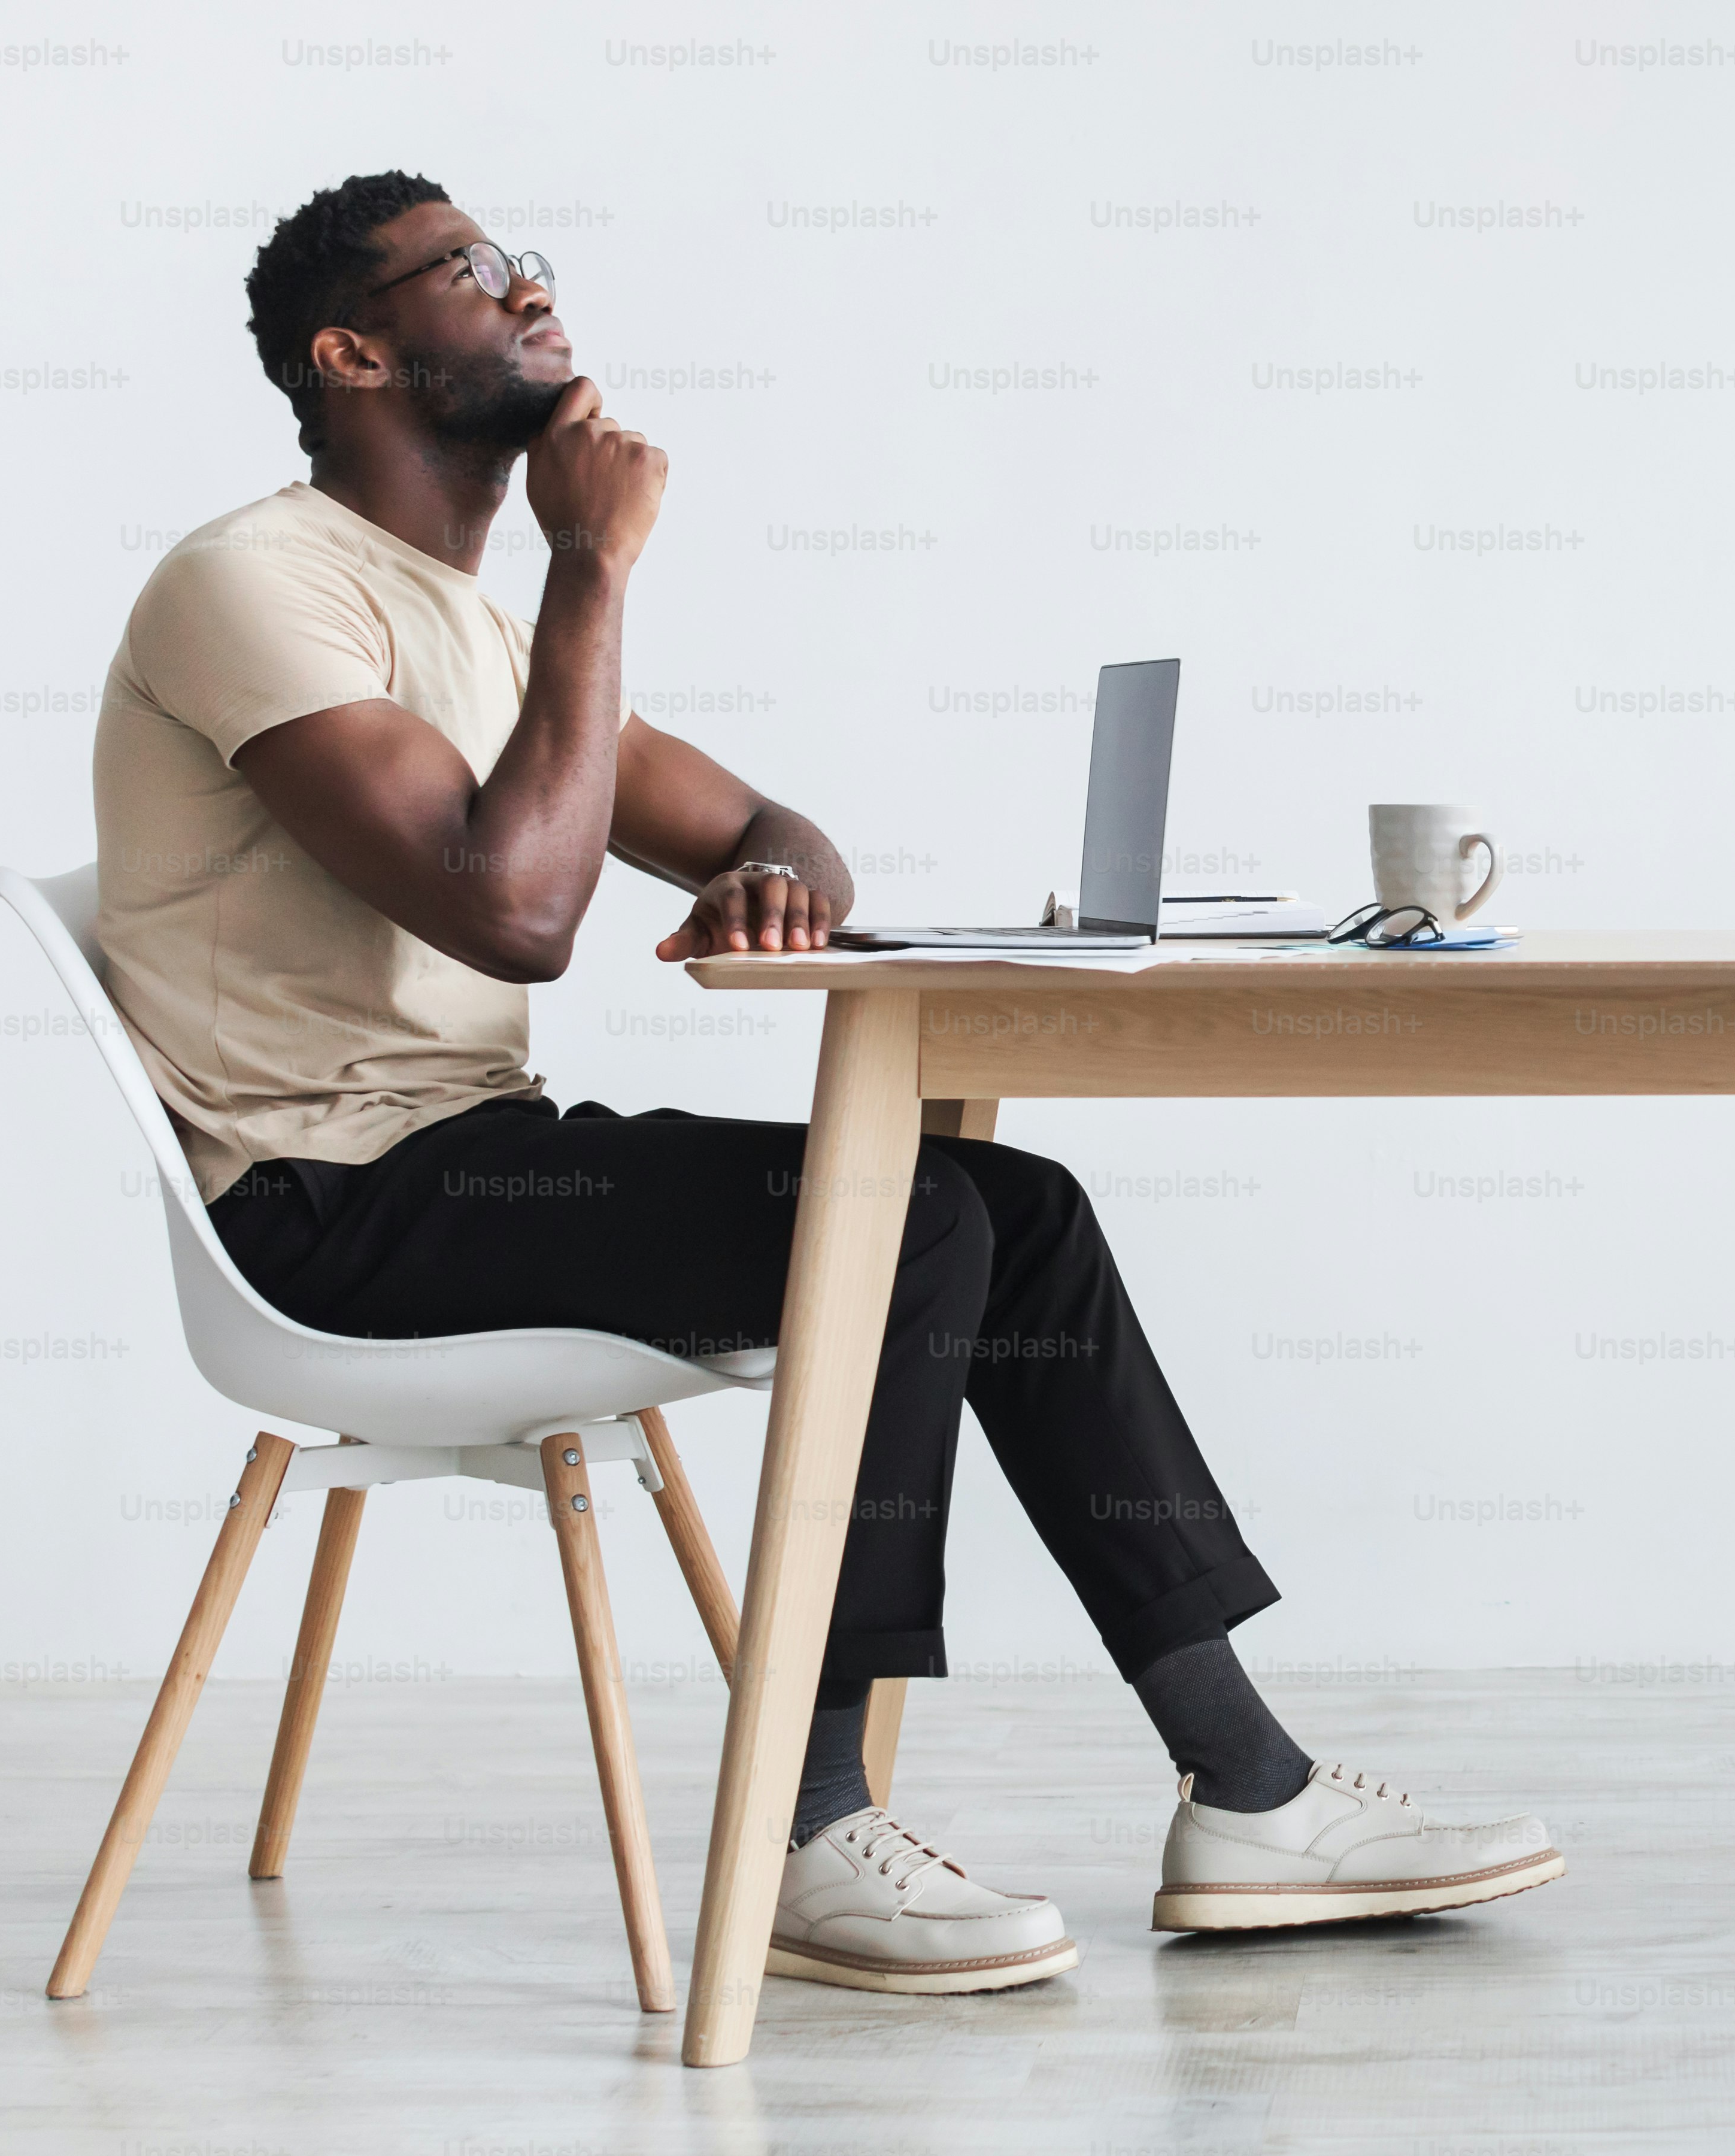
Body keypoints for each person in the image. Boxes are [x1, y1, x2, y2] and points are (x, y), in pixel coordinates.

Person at [87, 171, 1561, 1994]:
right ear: (354, 350)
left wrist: (767, 879)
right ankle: (804, 1832)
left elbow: (776, 829)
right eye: (477, 272)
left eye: (531, 256)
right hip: (326, 1211)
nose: (537, 289)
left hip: (478, 1165)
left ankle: (1246, 1788)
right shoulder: (255, 586)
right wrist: (594, 563)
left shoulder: (472, 624)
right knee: (909, 1216)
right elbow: (521, 915)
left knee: (1008, 1211)